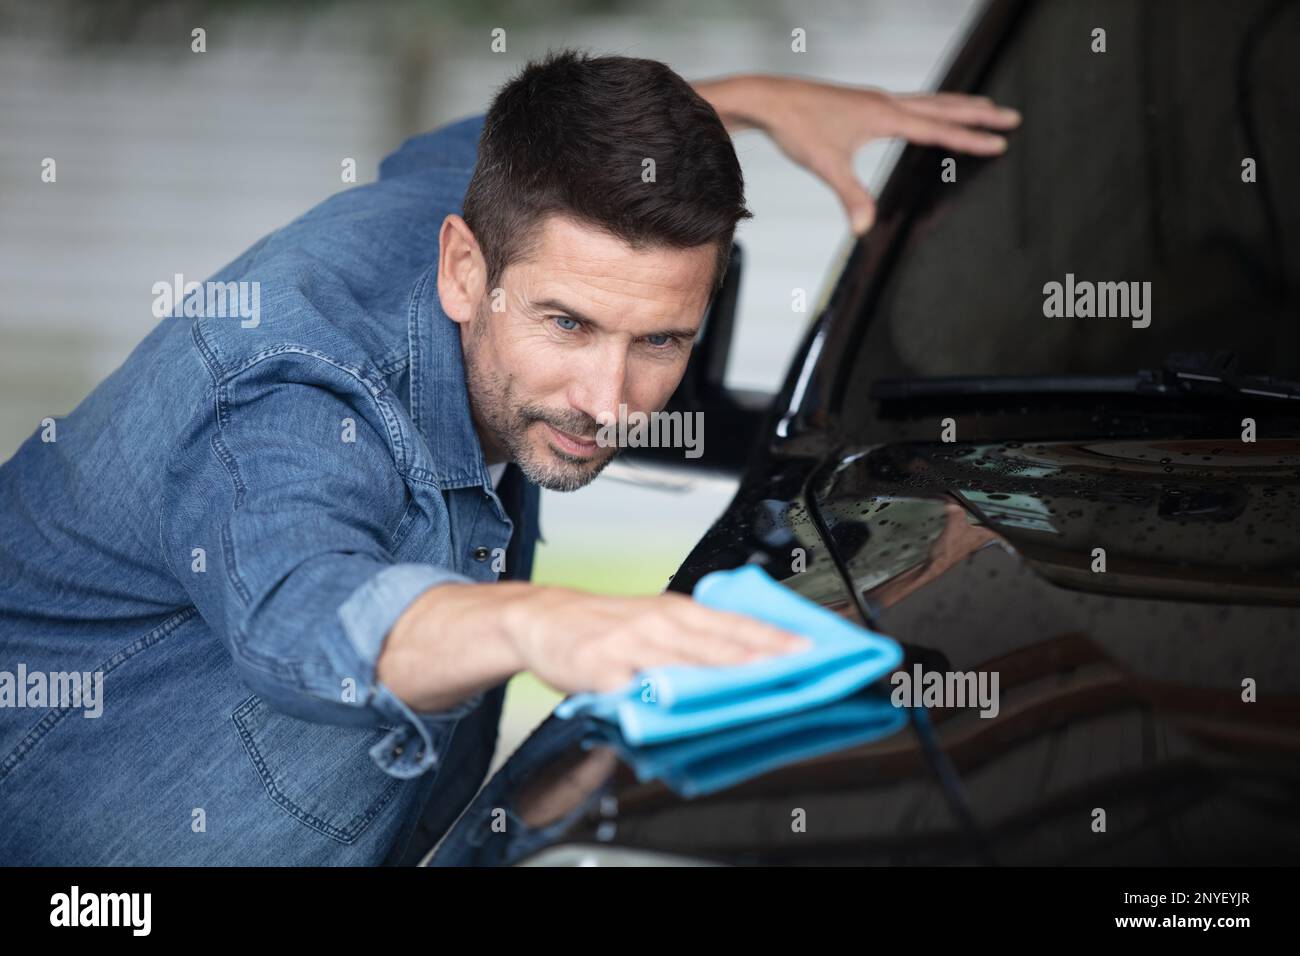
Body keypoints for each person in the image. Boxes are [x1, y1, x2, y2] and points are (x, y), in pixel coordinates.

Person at [0, 50, 1019, 865]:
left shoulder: (502, 190)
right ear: (462, 266)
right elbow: (305, 610)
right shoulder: (291, 392)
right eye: (567, 323)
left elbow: (518, 138)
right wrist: (547, 619)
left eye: (660, 340)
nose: (607, 401)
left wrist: (755, 100)